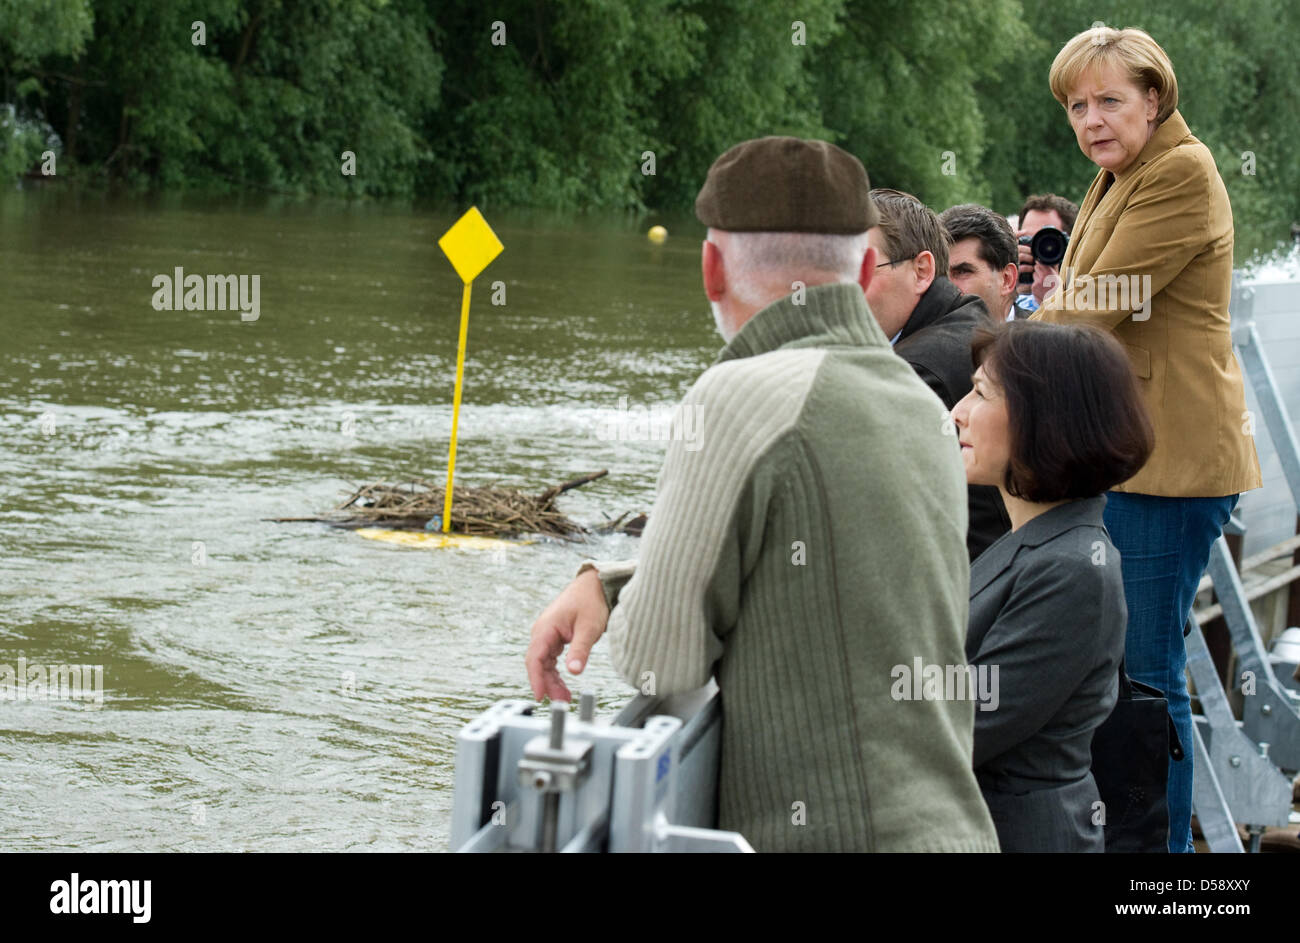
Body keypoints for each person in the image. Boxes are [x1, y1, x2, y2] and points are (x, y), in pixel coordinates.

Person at [524, 137, 999, 853]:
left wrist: (628, 596)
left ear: (712, 269)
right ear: (867, 266)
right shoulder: (920, 402)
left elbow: (660, 661)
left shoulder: (737, 396)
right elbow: (848, 572)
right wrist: (615, 583)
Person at [1031, 25, 1263, 853]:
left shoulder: (1180, 173)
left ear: (1154, 100)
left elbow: (1096, 303)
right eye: (1077, 105)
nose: (1091, 119)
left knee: (1143, 677)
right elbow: (1078, 293)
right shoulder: (1116, 174)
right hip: (1134, 456)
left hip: (1169, 466)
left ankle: (1157, 871)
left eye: (1109, 101)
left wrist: (1015, 323)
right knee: (1128, 672)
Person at [953, 319, 1154, 852]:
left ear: (1045, 419)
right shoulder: (1039, 541)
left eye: (980, 393)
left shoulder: (1070, 569)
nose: (957, 412)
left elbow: (964, 724)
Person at [868, 188, 1010, 559]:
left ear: (922, 270)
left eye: (863, 268)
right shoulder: (969, 318)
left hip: (966, 585)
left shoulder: (913, 372)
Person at [939, 203, 1020, 321]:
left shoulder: (1045, 336)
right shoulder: (918, 337)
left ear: (1007, 279)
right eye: (941, 275)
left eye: (962, 272)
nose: (946, 288)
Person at [1016, 193, 1078, 308]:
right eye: (1031, 240)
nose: (1041, 248)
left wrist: (1055, 301)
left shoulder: (1087, 297)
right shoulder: (1006, 292)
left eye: (1050, 240)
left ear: (1070, 244)